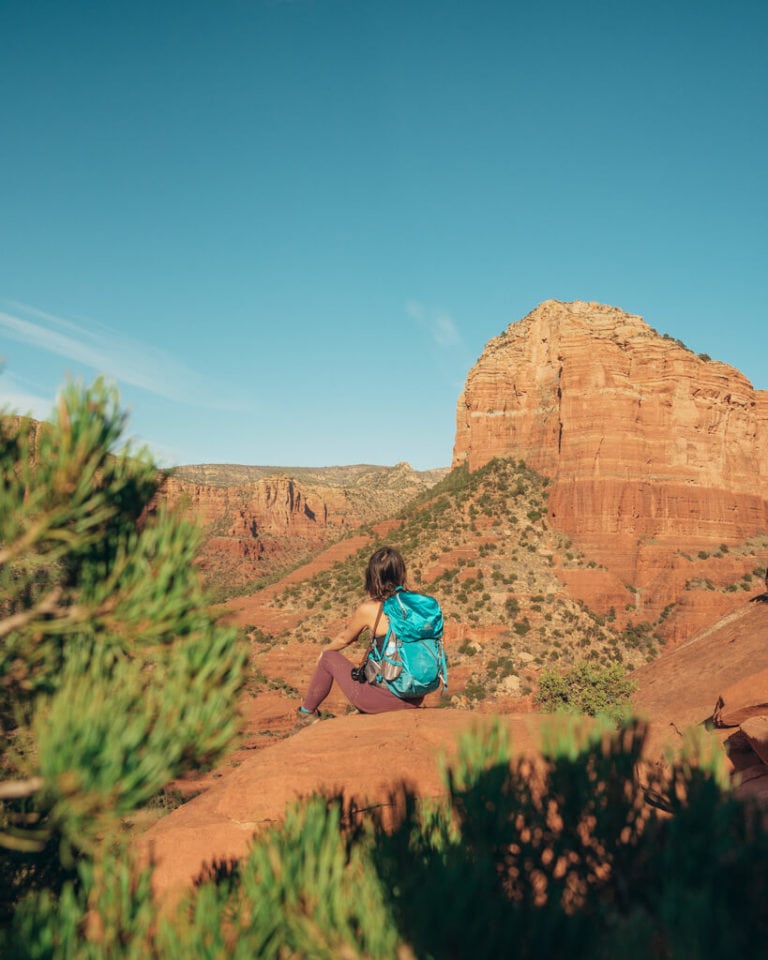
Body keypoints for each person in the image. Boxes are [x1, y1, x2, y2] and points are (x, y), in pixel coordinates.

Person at [295, 546, 424, 726]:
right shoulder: (420, 607)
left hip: (381, 701)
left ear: (373, 576)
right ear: (401, 573)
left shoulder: (370, 609)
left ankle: (306, 713)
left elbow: (344, 639)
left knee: (328, 657)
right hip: (414, 698)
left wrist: (324, 651)